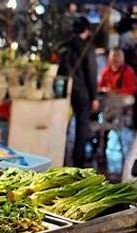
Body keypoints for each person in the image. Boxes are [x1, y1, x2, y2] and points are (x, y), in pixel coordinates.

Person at [58, 17, 98, 167]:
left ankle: (60, 156)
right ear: (87, 31)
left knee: (64, 125)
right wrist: (94, 96)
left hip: (65, 92)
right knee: (82, 126)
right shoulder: (88, 47)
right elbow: (91, 73)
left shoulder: (64, 46)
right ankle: (78, 159)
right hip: (82, 93)